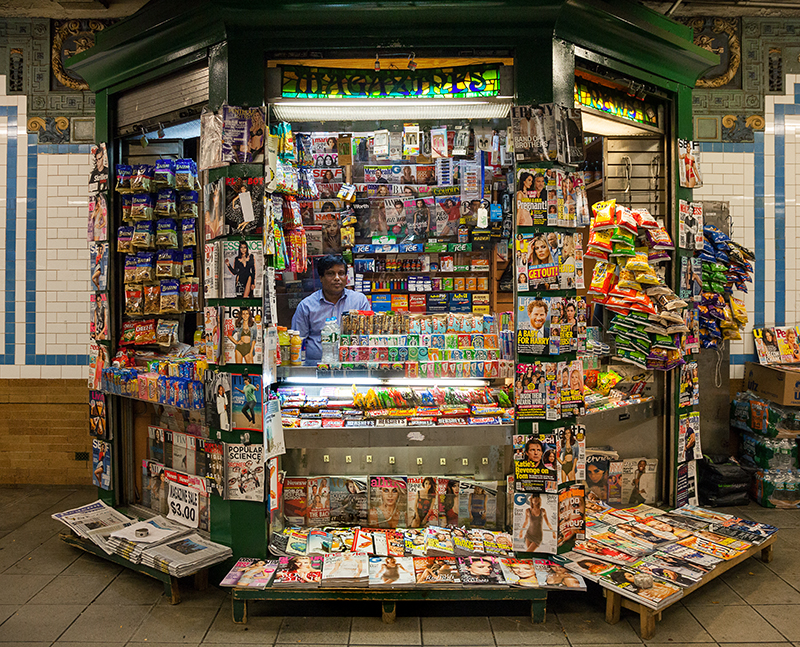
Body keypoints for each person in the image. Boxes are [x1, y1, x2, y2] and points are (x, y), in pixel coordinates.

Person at [292, 255, 370, 365]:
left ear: (346, 277)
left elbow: (367, 336)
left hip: (353, 366)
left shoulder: (359, 301)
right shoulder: (306, 306)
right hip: (315, 369)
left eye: (341, 273)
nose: (337, 278)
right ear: (321, 278)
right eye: (330, 273)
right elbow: (298, 341)